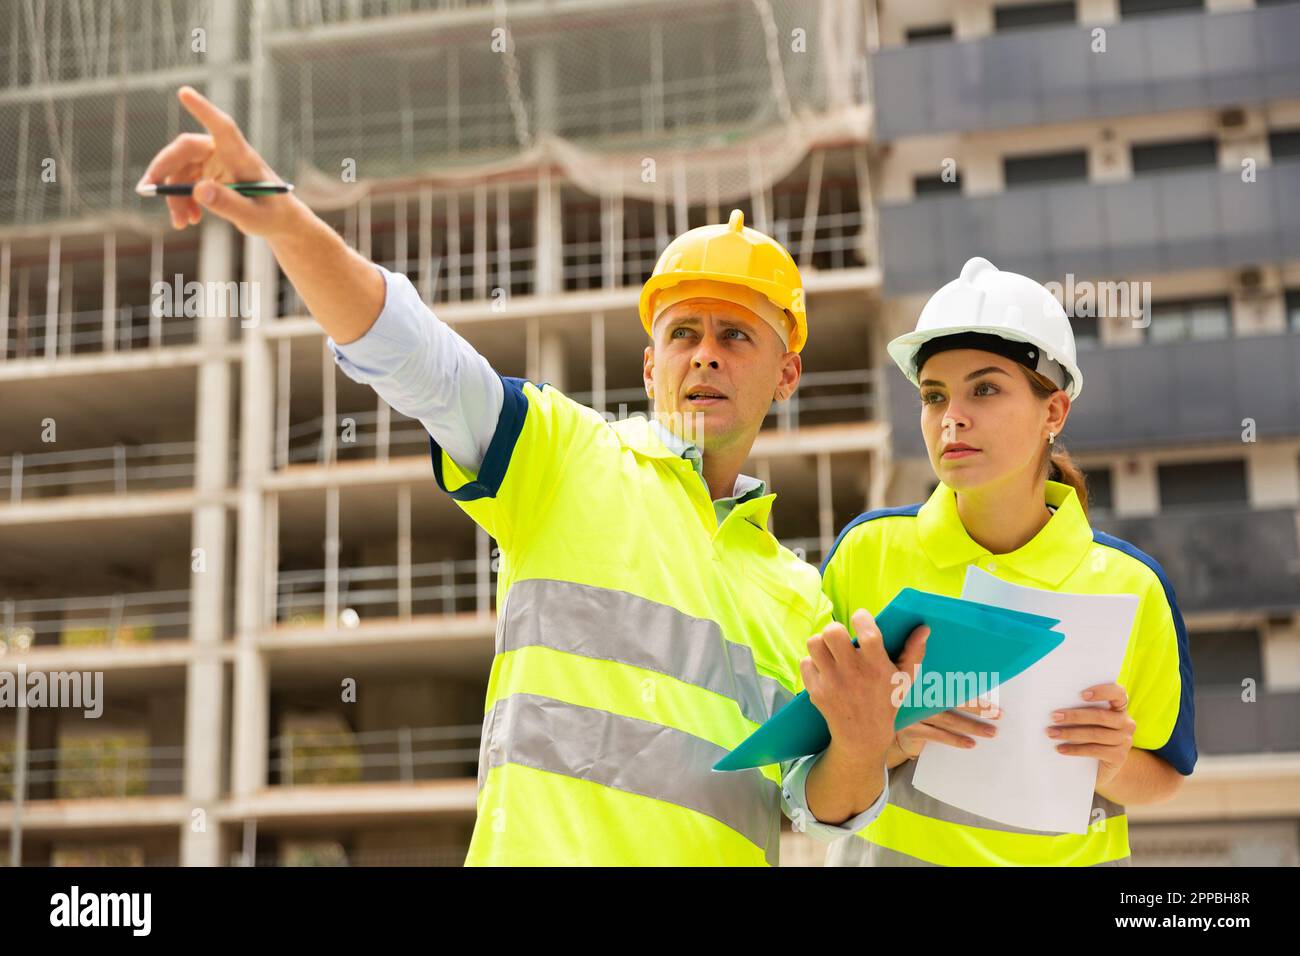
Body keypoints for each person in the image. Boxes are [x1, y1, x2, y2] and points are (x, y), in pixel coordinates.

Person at [138, 86, 929, 865]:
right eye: (683, 332)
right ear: (652, 367)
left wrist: (860, 743)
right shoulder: (563, 456)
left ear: (787, 375)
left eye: (735, 334)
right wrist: (282, 217)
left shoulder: (799, 594)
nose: (706, 354)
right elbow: (416, 358)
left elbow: (812, 806)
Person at [819, 256, 1197, 866]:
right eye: (933, 396)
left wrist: (1114, 763)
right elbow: (808, 761)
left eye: (985, 389)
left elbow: (1166, 776)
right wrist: (892, 739)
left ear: (1053, 413)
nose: (952, 418)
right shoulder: (868, 552)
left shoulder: (1132, 586)